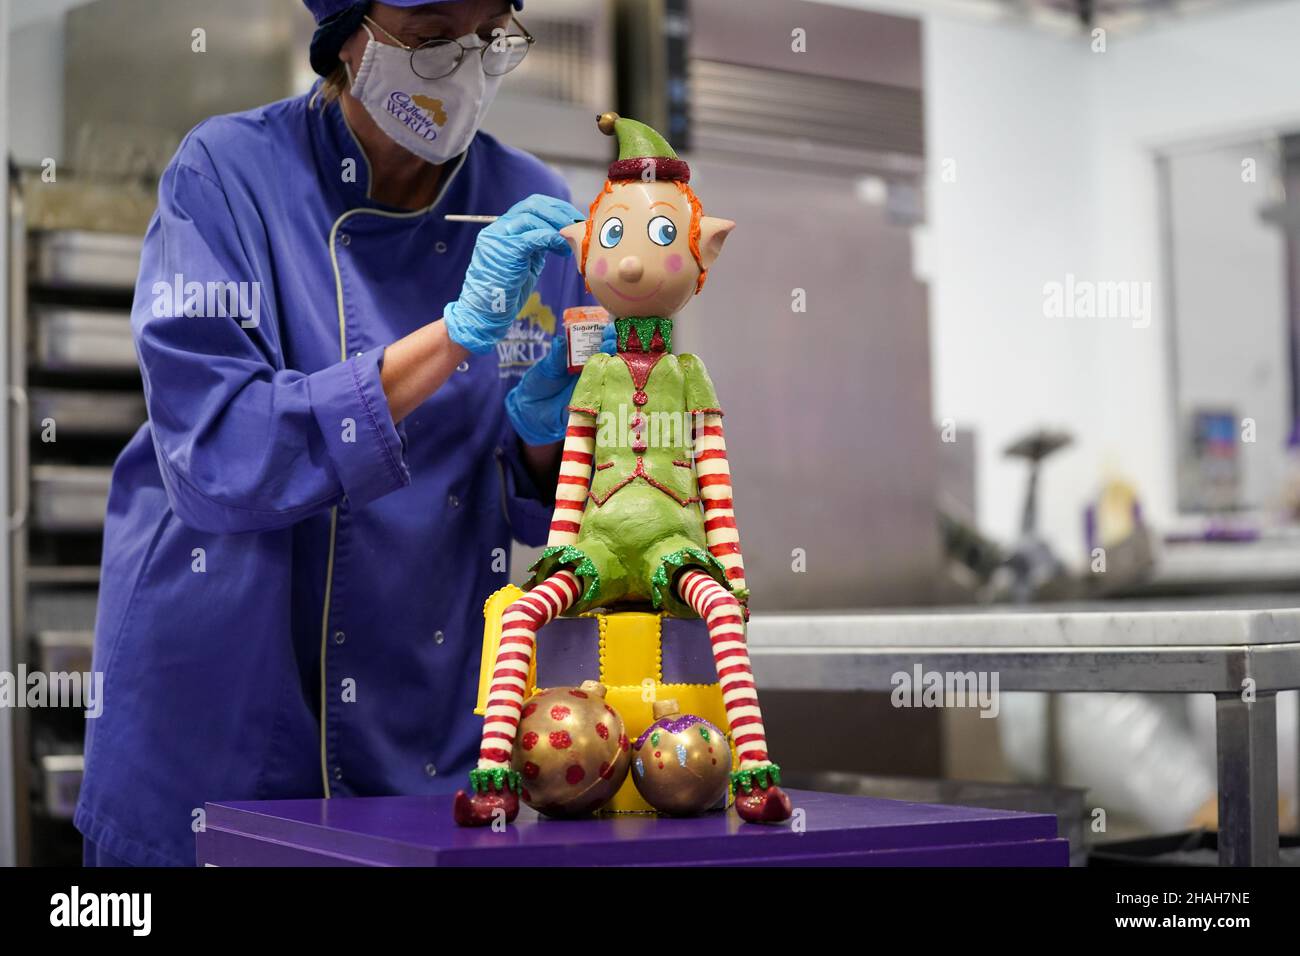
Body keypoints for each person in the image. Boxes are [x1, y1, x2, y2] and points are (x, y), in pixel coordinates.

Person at [76, 0, 608, 866]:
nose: (468, 66)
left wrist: (552, 429)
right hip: (224, 707)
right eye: (434, 40)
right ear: (346, 40)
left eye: (491, 36)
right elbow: (220, 452)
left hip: (423, 706)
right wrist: (454, 337)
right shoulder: (226, 174)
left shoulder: (531, 204)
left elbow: (531, 498)